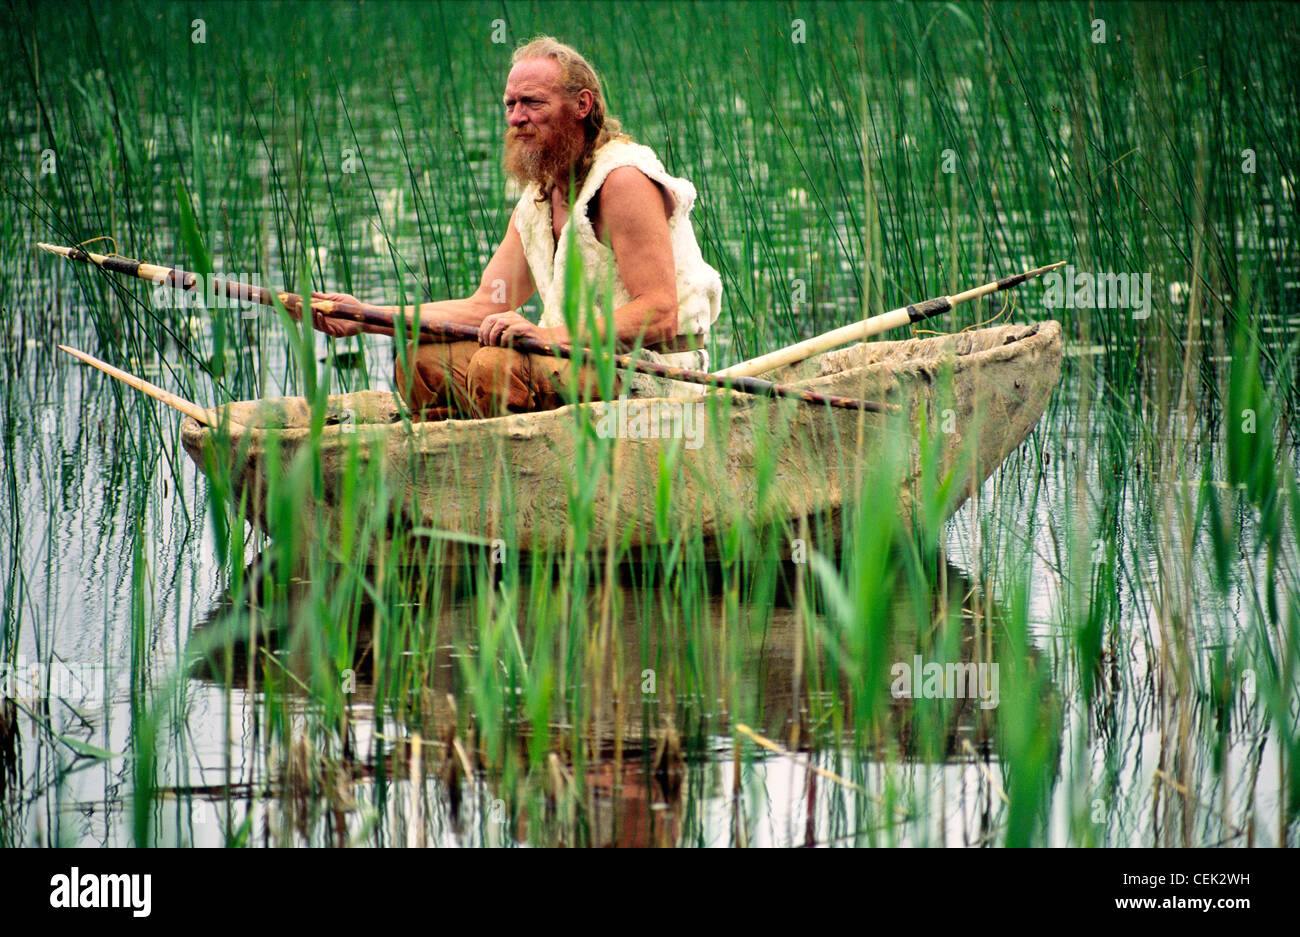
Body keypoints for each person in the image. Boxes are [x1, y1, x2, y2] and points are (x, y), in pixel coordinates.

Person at [307, 36, 722, 419]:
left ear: (581, 105)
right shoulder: (539, 199)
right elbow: (484, 305)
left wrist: (549, 337)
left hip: (654, 372)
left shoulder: (623, 181)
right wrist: (366, 316)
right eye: (510, 105)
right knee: (420, 361)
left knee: (495, 365)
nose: (517, 118)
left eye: (532, 103)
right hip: (570, 356)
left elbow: (660, 315)